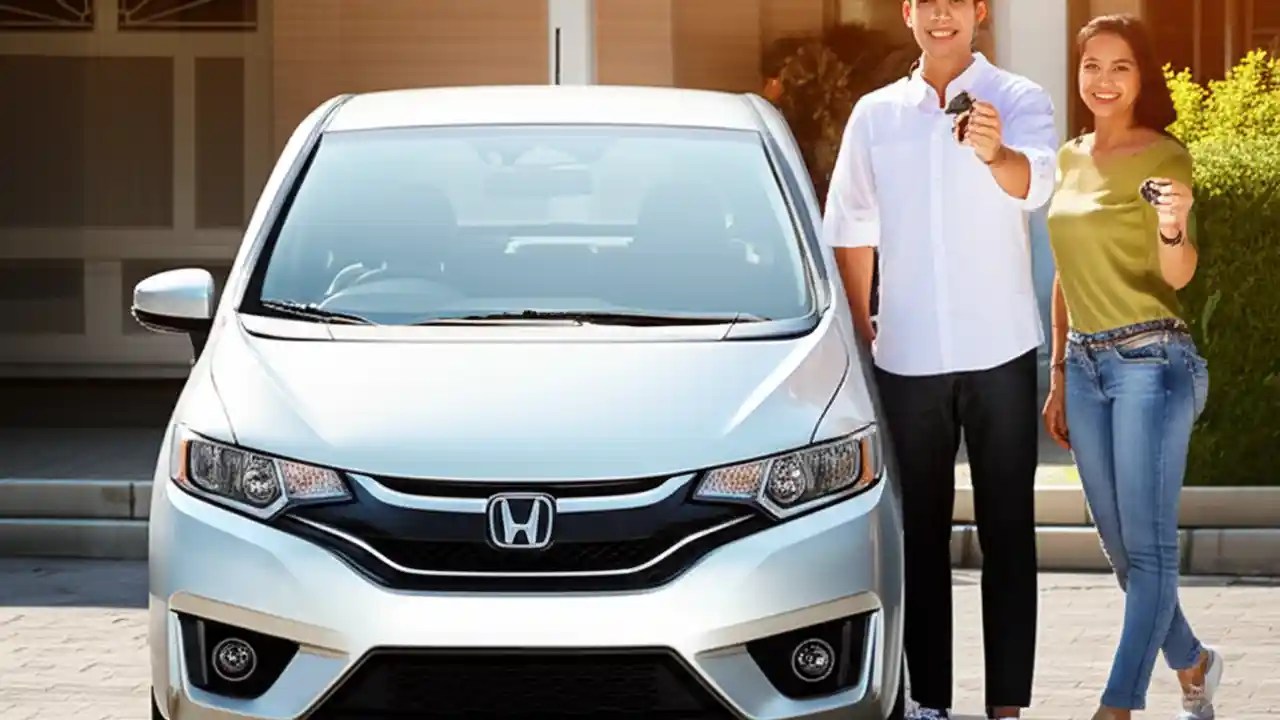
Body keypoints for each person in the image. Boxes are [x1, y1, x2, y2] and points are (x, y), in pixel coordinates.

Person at [821, 1, 1058, 718]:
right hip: (907, 357)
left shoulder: (1018, 98)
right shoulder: (875, 115)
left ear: (979, 11)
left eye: (957, 0)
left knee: (1008, 532)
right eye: (928, 1)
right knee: (917, 538)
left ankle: (1007, 708)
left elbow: (1036, 184)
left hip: (1001, 351)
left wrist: (995, 152)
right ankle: (929, 704)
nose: (942, 14)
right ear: (909, 13)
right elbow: (850, 227)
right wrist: (861, 335)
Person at [1042, 13, 1223, 720]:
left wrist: (1173, 227)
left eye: (1121, 66)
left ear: (1141, 77)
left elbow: (1178, 272)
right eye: (1092, 65)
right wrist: (1058, 372)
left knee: (1148, 554)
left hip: (1152, 361)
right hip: (1085, 367)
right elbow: (1065, 272)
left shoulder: (1165, 157)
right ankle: (1194, 662)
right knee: (1122, 551)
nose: (1104, 80)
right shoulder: (1070, 158)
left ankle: (1116, 707)